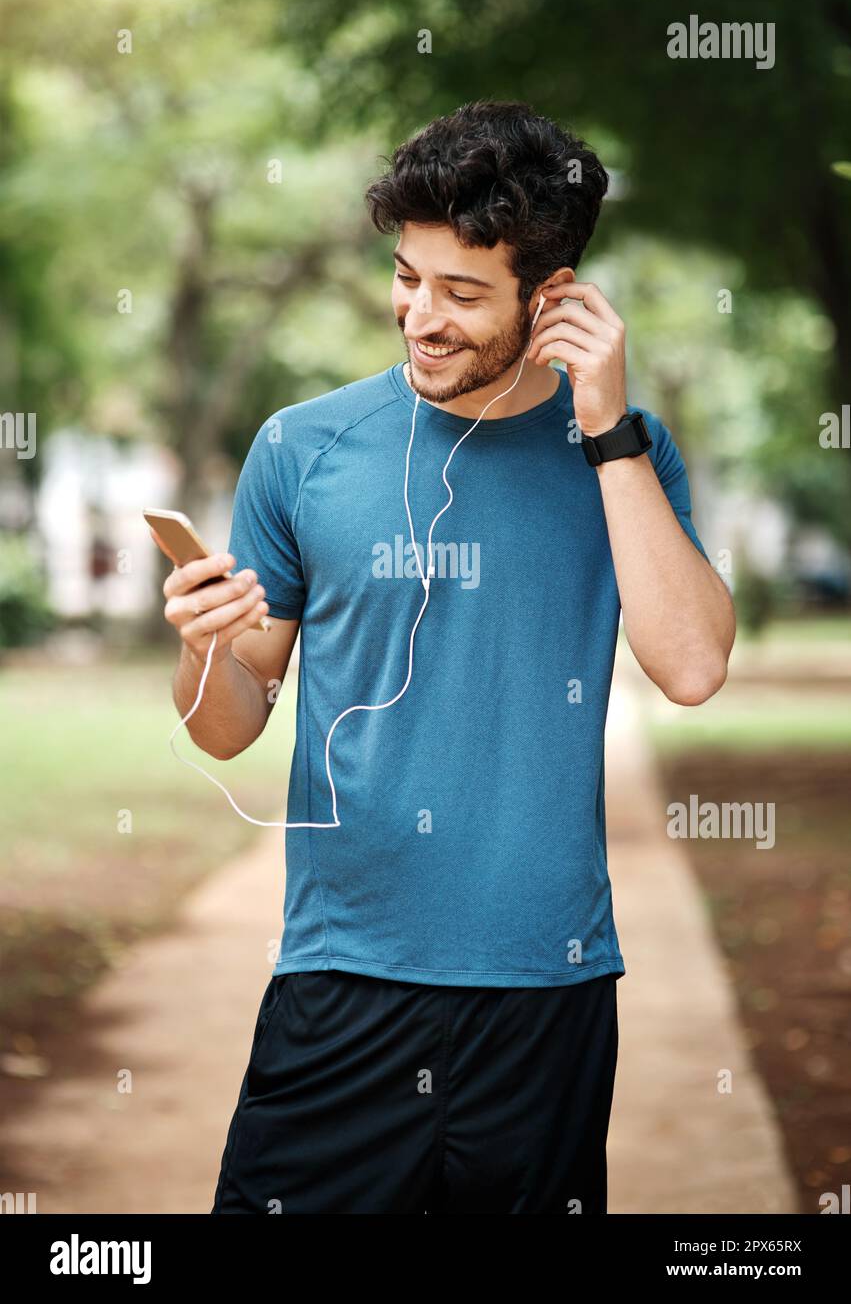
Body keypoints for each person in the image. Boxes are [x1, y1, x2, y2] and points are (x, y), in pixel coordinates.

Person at [154, 100, 736, 1214]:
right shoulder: (300, 447)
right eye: (406, 277)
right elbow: (227, 723)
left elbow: (693, 666)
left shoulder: (624, 451)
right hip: (340, 979)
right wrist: (204, 647)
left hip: (544, 987)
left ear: (551, 296)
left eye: (462, 293)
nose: (419, 316)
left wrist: (607, 431)